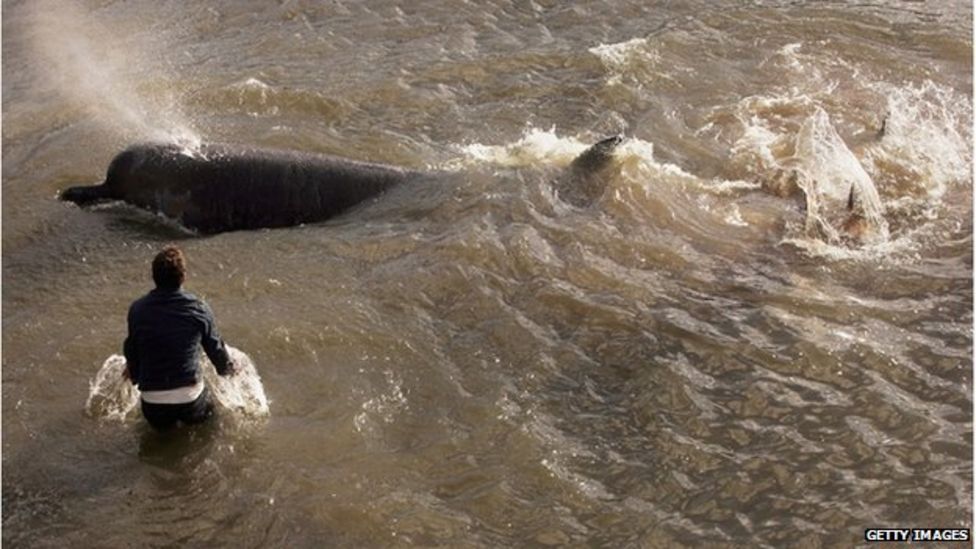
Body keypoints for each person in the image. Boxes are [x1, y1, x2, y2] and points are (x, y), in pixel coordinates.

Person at [123, 245, 236, 430]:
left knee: (160, 434)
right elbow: (215, 350)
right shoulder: (199, 308)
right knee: (211, 419)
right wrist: (229, 370)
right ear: (183, 277)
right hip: (190, 401)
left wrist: (133, 374)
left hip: (153, 403)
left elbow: (131, 349)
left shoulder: (137, 310)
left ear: (154, 277)